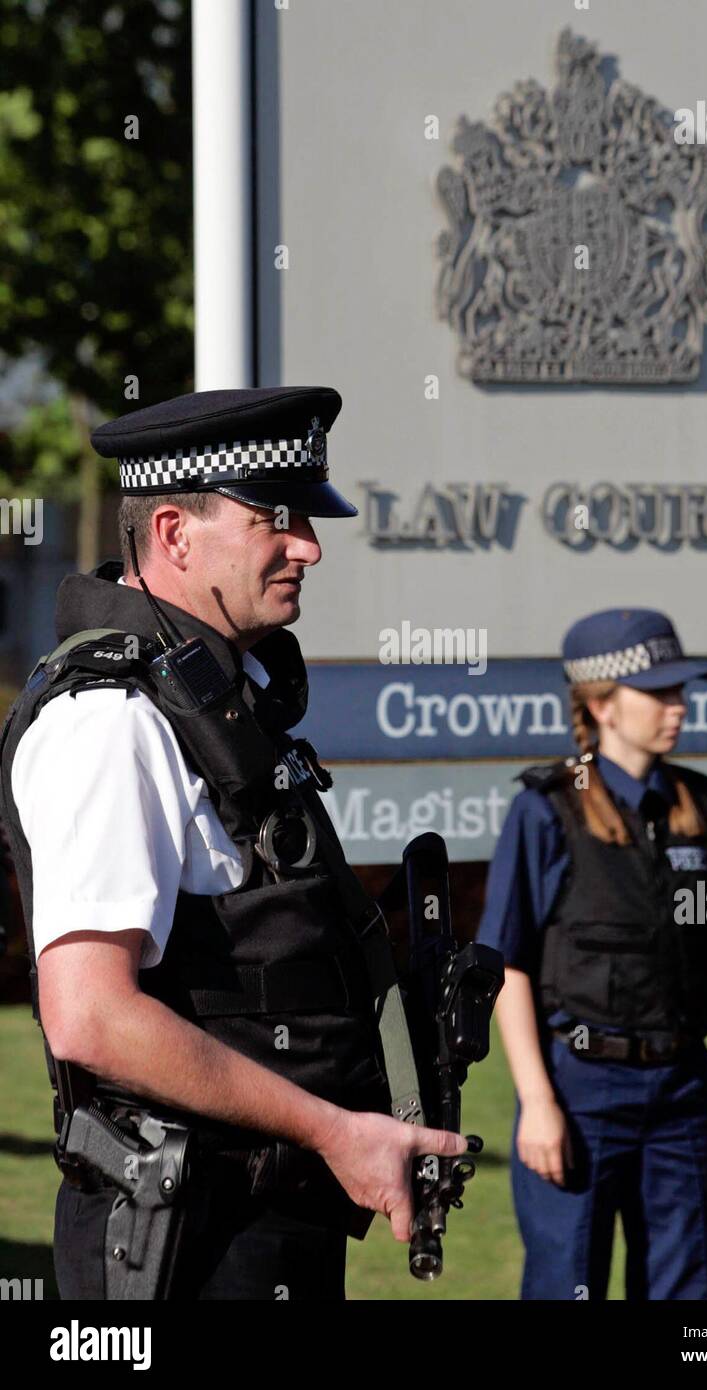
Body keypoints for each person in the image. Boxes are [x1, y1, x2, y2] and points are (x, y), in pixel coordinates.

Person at [0, 386, 466, 1300]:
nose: (309, 546)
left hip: (256, 1227)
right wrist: (336, 1130)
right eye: (277, 519)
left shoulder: (220, 701)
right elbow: (90, 1016)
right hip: (181, 1244)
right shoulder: (111, 722)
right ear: (174, 533)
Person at [476, 608, 707, 1301]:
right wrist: (538, 1103)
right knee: (564, 1286)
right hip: (580, 1089)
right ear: (601, 703)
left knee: (682, 1292)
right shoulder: (546, 809)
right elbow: (507, 967)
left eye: (681, 690)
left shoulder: (702, 807)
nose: (678, 707)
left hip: (683, 1094)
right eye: (659, 692)